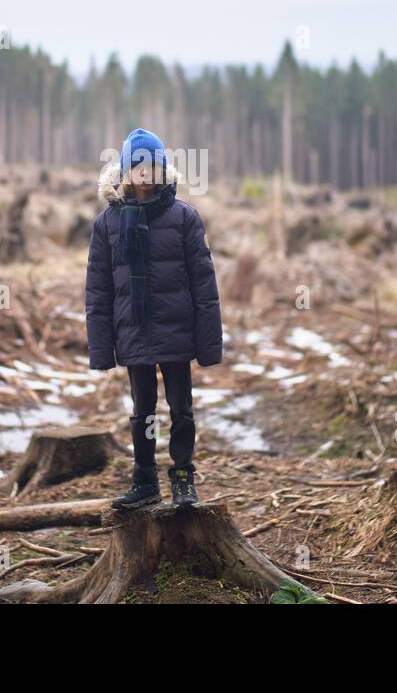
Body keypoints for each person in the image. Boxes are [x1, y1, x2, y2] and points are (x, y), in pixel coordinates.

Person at [85, 127, 222, 509]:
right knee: (142, 409)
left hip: (177, 330)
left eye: (153, 164)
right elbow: (98, 291)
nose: (146, 171)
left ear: (163, 170)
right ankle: (144, 480)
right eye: (138, 164)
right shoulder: (107, 224)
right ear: (126, 171)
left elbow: (204, 285)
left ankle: (183, 479)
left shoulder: (184, 218)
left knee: (181, 409)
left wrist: (209, 343)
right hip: (134, 330)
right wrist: (101, 349)